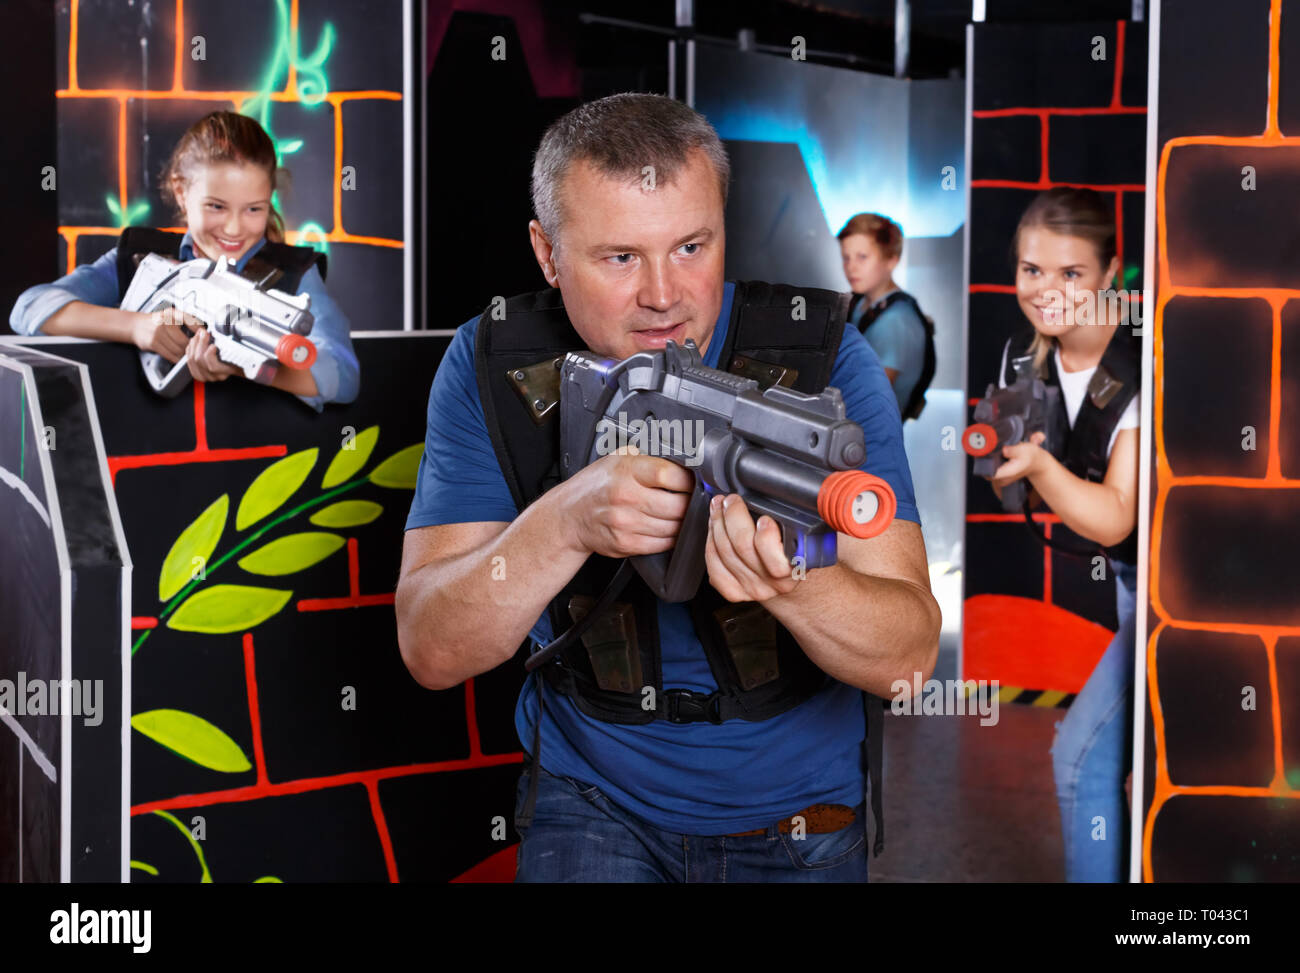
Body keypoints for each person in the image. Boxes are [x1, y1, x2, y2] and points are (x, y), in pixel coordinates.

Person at [395, 93, 940, 883]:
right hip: (593, 798)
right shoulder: (492, 362)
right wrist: (568, 522)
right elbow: (431, 648)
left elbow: (911, 658)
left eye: (691, 246)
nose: (663, 293)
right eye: (619, 257)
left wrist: (790, 585)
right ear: (547, 255)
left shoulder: (827, 360)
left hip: (797, 819)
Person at [985, 187, 1139, 882]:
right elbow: (1011, 467)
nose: (1047, 291)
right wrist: (1008, 464)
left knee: (1081, 756)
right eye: (1032, 270)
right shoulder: (1026, 357)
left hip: (1178, 597)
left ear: (1111, 274)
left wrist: (1039, 466)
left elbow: (1114, 516)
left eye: (1072, 273)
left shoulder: (1144, 359)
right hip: (1131, 587)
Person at [9, 110, 359, 412]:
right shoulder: (143, 259)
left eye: (254, 209)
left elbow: (341, 375)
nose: (234, 227)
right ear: (180, 191)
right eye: (216, 206)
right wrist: (138, 327)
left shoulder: (292, 274)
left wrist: (242, 365)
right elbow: (30, 308)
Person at [838, 213, 931, 419]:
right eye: (846, 257)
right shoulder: (861, 304)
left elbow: (868, 397)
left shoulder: (896, 320)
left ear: (891, 260)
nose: (851, 267)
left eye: (862, 257)